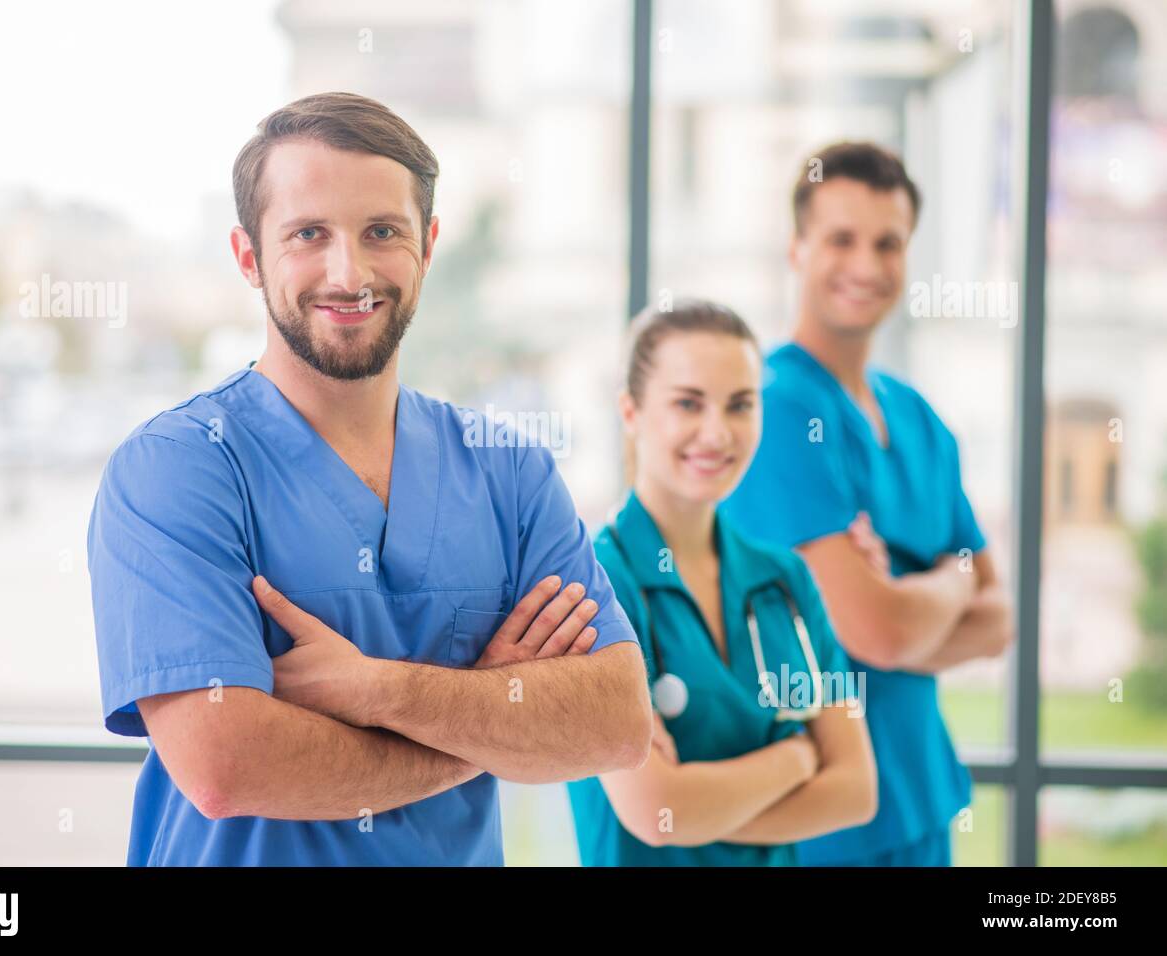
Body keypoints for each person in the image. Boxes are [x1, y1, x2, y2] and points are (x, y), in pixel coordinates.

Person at [86, 92, 652, 866]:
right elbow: (226, 766)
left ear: (428, 245)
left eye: (382, 231)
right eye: (308, 234)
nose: (347, 272)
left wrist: (372, 688)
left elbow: (614, 721)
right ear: (249, 255)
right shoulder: (178, 470)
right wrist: (479, 728)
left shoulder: (508, 470)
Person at [721, 142, 1016, 867]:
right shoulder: (777, 409)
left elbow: (1000, 619)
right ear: (797, 248)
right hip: (829, 822)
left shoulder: (917, 415)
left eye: (888, 243)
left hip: (920, 798)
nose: (866, 264)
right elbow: (878, 631)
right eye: (841, 239)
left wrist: (903, 606)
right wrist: (950, 580)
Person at [567, 300, 876, 866]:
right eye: (688, 403)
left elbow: (857, 791)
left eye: (740, 405)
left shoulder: (785, 580)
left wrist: (701, 807)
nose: (716, 433)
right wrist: (797, 760)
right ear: (630, 411)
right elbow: (658, 812)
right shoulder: (593, 581)